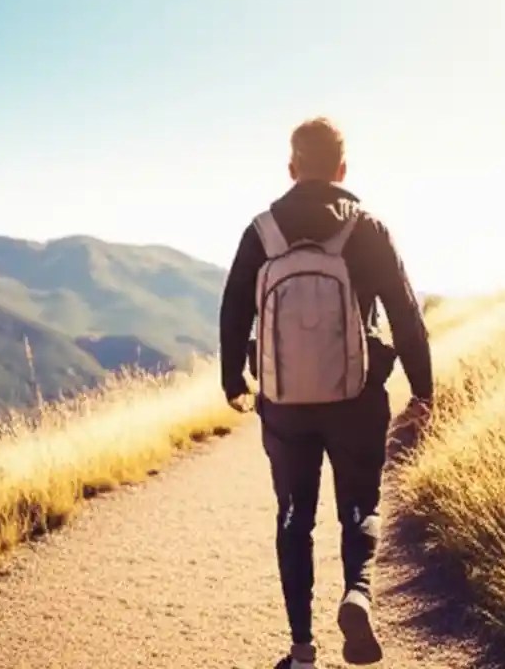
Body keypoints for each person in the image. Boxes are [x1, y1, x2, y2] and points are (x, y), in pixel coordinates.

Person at [219, 116, 434, 668]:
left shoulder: (261, 231)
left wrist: (234, 381)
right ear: (343, 169)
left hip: (286, 403)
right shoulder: (367, 228)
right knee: (360, 503)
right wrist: (423, 391)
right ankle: (358, 592)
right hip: (357, 398)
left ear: (291, 168)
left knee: (294, 516)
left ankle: (301, 650)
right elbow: (407, 316)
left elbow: (233, 308)